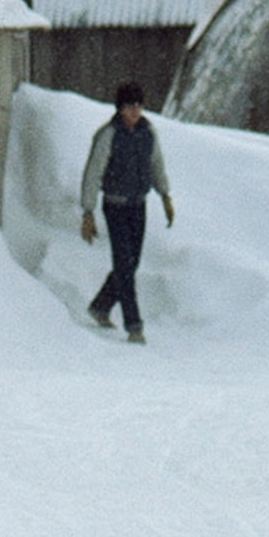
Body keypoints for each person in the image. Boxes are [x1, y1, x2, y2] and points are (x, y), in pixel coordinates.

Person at [78, 83, 174, 343]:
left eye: (139, 106)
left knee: (131, 263)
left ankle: (101, 306)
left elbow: (156, 163)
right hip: (115, 205)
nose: (135, 111)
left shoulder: (147, 132)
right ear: (120, 108)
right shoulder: (109, 135)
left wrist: (165, 195)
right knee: (124, 264)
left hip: (138, 205)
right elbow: (93, 172)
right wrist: (88, 211)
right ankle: (134, 325)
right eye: (130, 106)